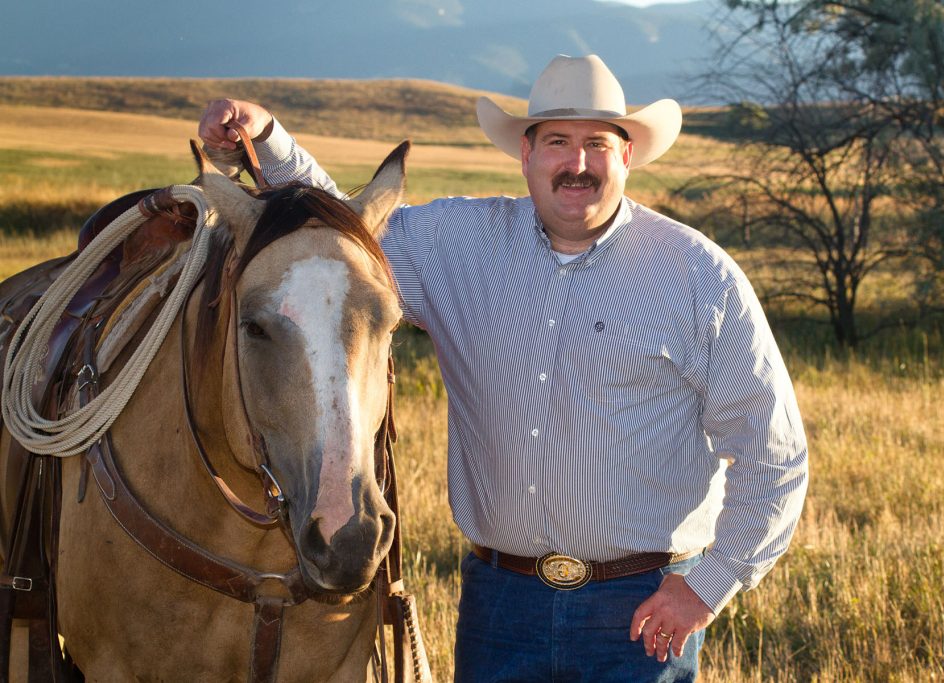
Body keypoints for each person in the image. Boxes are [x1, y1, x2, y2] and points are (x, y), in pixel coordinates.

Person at [199, 54, 808, 682]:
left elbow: (774, 454)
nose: (577, 163)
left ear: (627, 156)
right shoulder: (458, 243)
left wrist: (706, 587)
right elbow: (343, 238)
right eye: (557, 142)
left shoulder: (698, 276)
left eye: (597, 144)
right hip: (501, 606)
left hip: (639, 609)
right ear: (526, 153)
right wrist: (267, 140)